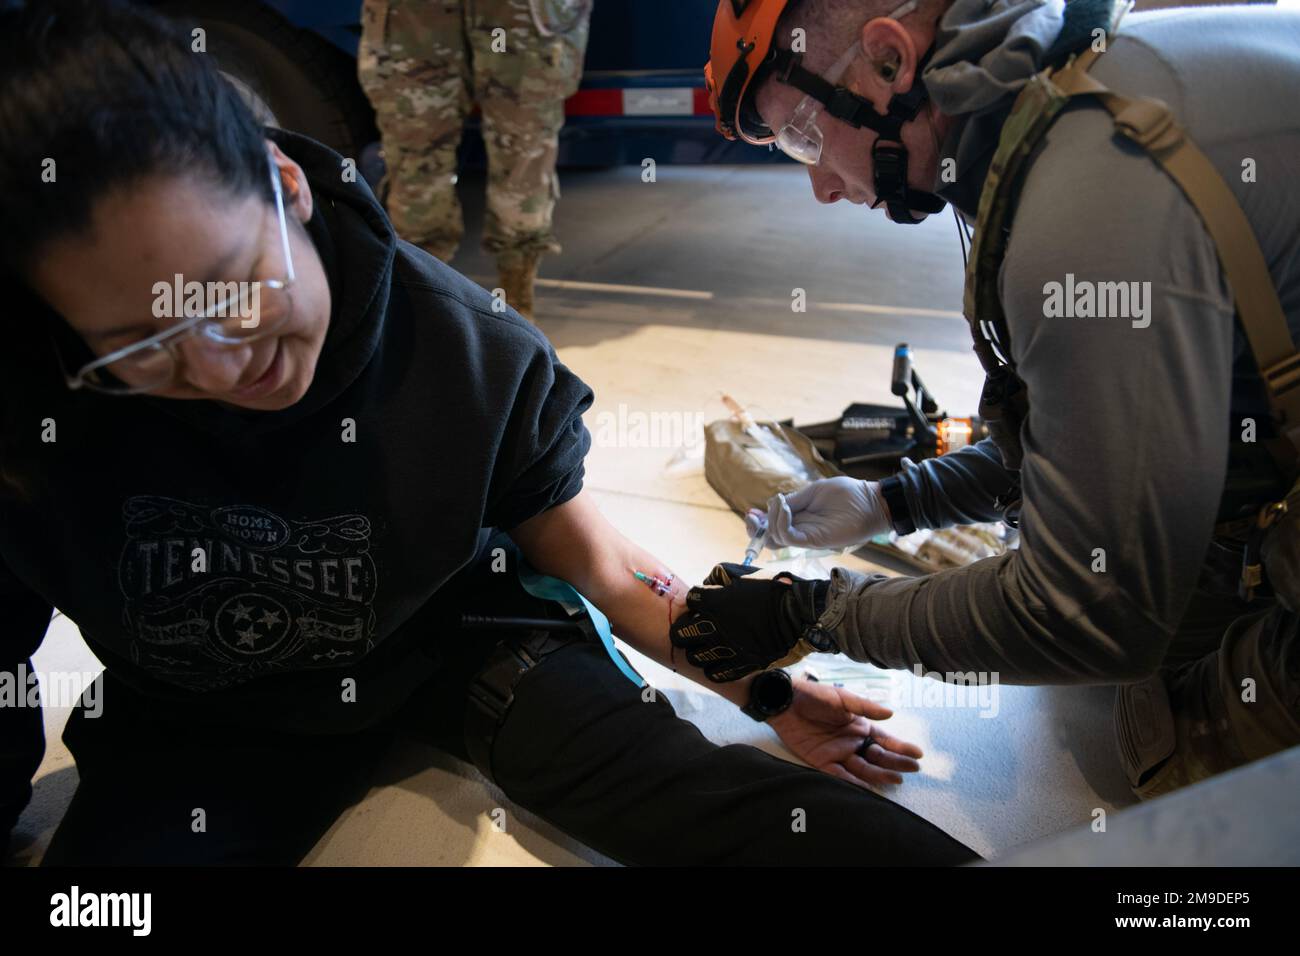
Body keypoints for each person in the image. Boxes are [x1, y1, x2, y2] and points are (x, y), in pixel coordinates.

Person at [0, 0, 977, 866]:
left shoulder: (464, 350)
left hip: (461, 642)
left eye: (233, 285)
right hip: (201, 706)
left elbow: (601, 566)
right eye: (143, 344)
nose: (219, 363)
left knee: (692, 795)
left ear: (287, 187)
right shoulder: (33, 407)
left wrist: (767, 689)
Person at [672, 0, 1300, 800]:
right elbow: (1082, 438)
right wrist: (890, 501)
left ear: (890, 60)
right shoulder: (1081, 84)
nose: (822, 186)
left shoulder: (1090, 205)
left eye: (803, 136)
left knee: (1176, 742)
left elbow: (1092, 614)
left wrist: (816, 612)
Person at [356, 0, 592, 320]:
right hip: (414, 12)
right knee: (415, 169)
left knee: (523, 161)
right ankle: (424, 315)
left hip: (522, 11)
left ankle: (516, 320)